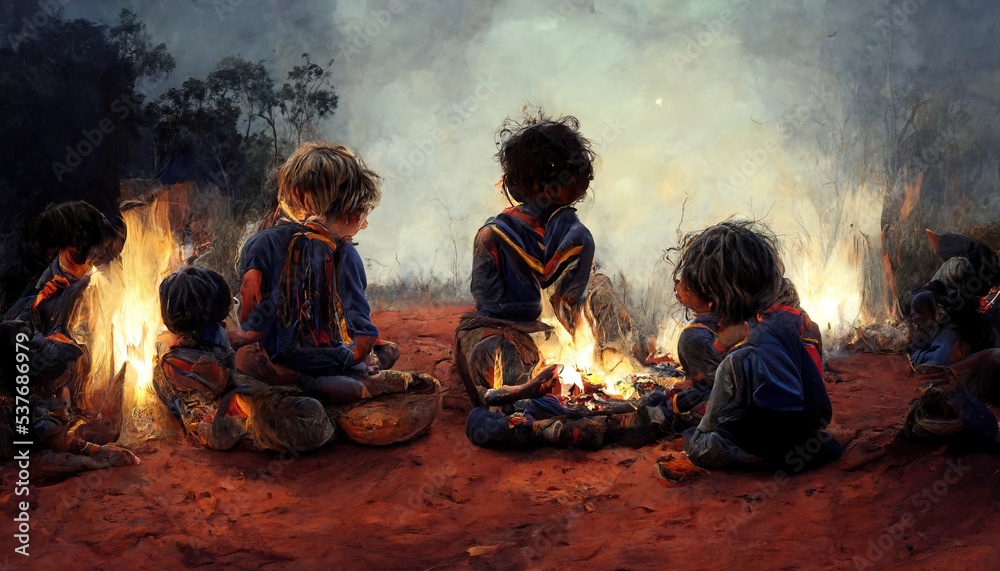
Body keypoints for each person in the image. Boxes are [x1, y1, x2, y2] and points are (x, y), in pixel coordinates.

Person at [455, 110, 659, 449]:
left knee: (600, 288)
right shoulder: (510, 234)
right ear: (548, 186)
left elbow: (552, 298)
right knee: (489, 349)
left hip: (533, 335)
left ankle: (538, 410)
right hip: (516, 332)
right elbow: (544, 298)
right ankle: (544, 410)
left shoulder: (530, 232)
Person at [236, 142, 407, 404]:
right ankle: (354, 383)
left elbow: (248, 314)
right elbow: (360, 325)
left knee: (249, 359)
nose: (363, 222)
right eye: (353, 212)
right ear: (305, 198)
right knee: (367, 361)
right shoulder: (344, 252)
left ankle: (331, 384)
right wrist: (359, 354)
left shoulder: (262, 242)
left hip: (284, 356)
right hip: (319, 357)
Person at [679, 220, 841, 471]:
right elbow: (818, 406)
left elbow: (710, 423)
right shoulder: (798, 324)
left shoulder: (736, 359)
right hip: (810, 440)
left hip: (760, 446)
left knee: (699, 443)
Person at [153, 267, 335, 452]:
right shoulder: (180, 362)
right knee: (309, 418)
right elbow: (216, 393)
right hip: (226, 413)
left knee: (309, 405)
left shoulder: (206, 336)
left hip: (235, 399)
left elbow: (232, 341)